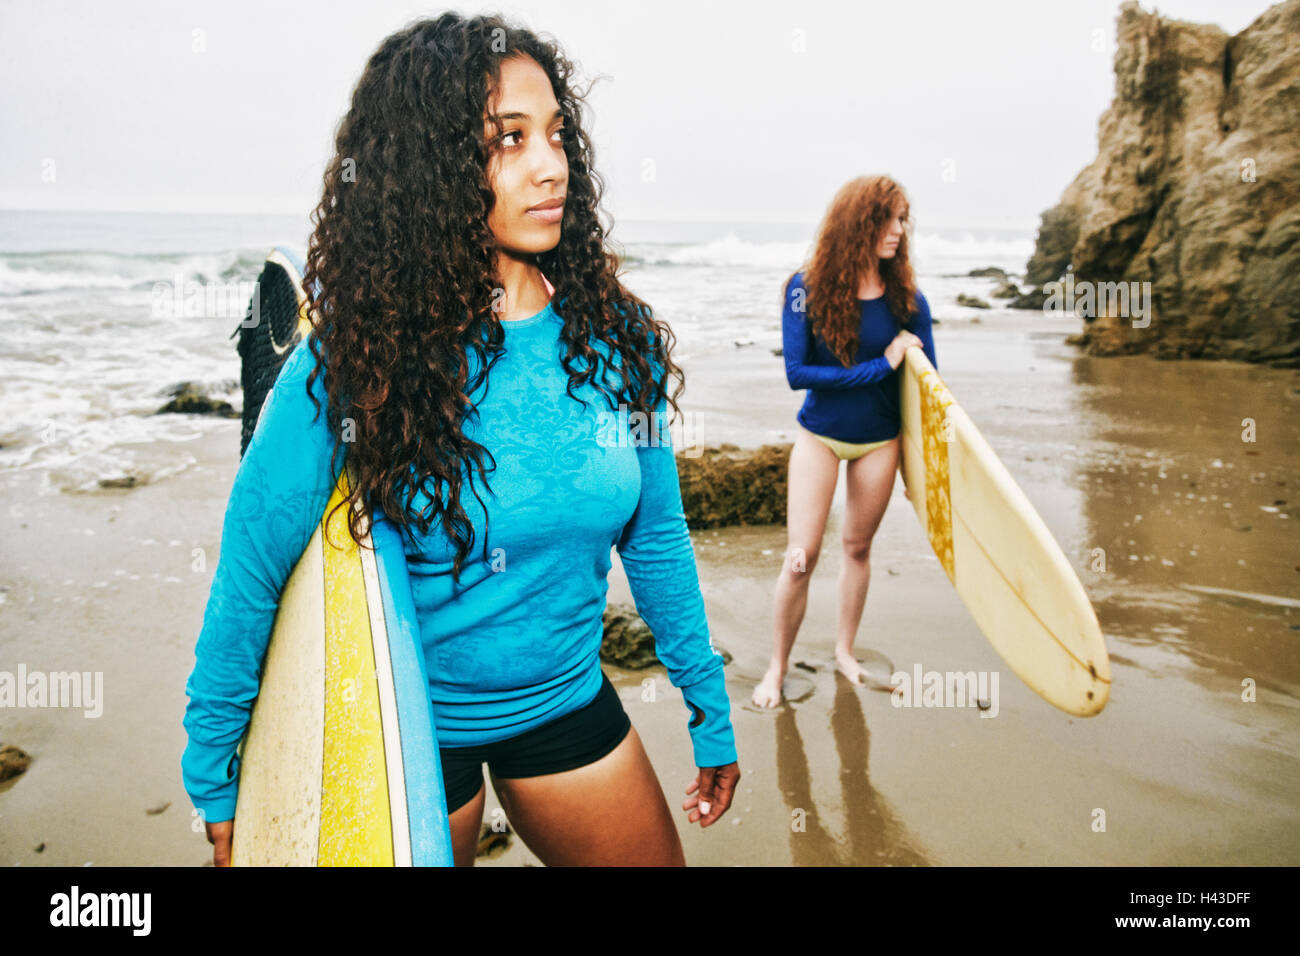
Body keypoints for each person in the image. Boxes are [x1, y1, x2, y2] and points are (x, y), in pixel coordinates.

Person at [182, 12, 740, 867]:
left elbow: (657, 535)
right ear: (432, 166)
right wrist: (216, 771)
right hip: (404, 729)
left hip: (562, 700)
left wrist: (708, 702)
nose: (551, 164)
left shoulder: (611, 337)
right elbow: (250, 567)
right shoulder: (356, 360)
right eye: (508, 140)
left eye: (556, 134)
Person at [752, 175, 937, 708]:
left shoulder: (908, 300)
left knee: (857, 549)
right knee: (801, 556)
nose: (900, 231)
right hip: (821, 438)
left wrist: (922, 473)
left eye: (904, 220)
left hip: (881, 442)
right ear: (860, 222)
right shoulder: (803, 288)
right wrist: (882, 364)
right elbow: (797, 373)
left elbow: (930, 393)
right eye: (890, 219)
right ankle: (776, 667)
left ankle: (845, 652)